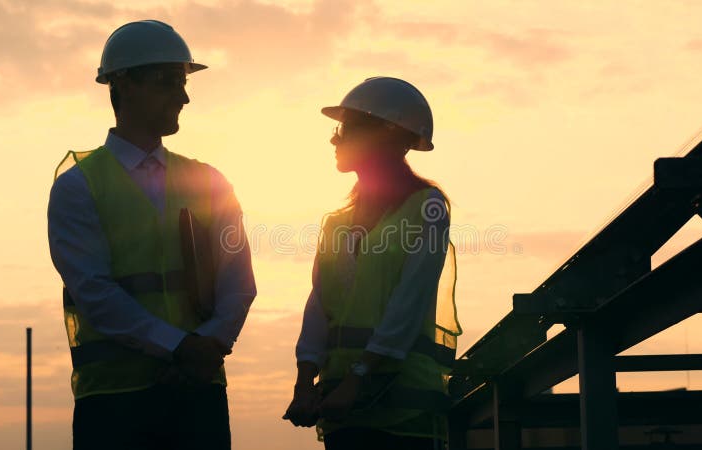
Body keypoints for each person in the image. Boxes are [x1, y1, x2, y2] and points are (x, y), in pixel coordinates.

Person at [47, 20, 256, 450]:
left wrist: (206, 345)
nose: (183, 96)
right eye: (168, 82)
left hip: (196, 396)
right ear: (123, 84)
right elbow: (94, 292)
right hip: (115, 402)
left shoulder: (210, 182)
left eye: (182, 83)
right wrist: (186, 349)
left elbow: (239, 282)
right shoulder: (77, 187)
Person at [284, 77, 462, 450]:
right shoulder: (336, 223)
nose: (335, 139)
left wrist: (357, 379)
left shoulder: (426, 208)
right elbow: (319, 306)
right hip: (343, 406)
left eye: (347, 128)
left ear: (387, 135)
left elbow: (408, 303)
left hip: (400, 409)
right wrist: (304, 384)